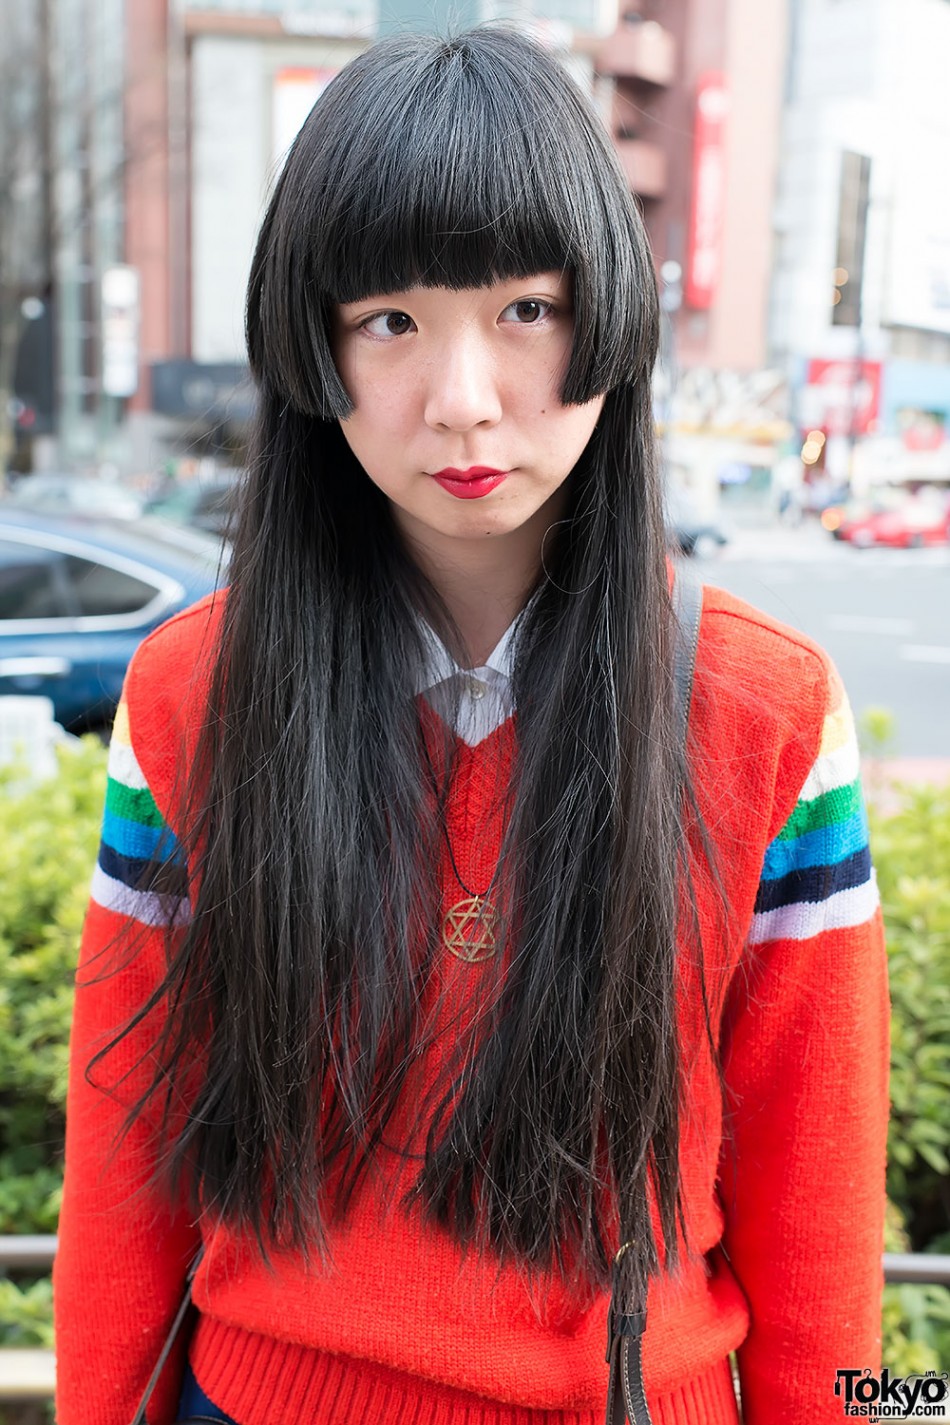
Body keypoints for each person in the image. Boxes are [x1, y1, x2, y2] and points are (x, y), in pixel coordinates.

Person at [53, 27, 890, 1425]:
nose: (462, 401)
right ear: (315, 346)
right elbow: (124, 1155)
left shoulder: (767, 710)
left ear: (608, 319)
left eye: (527, 309)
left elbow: (823, 1208)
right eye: (390, 320)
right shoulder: (196, 693)